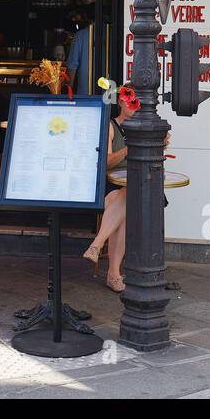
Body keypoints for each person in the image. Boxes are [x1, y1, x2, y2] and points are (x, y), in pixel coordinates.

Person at [82, 83, 139, 292]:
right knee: (124, 203)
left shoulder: (147, 126)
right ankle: (113, 274)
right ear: (122, 102)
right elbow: (105, 163)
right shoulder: (110, 127)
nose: (135, 107)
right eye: (131, 101)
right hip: (111, 185)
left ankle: (97, 244)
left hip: (138, 186)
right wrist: (128, 149)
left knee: (128, 195)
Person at [64, 14, 92, 98]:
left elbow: (72, 67)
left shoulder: (80, 35)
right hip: (109, 95)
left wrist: (69, 93)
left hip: (85, 95)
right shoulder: (114, 35)